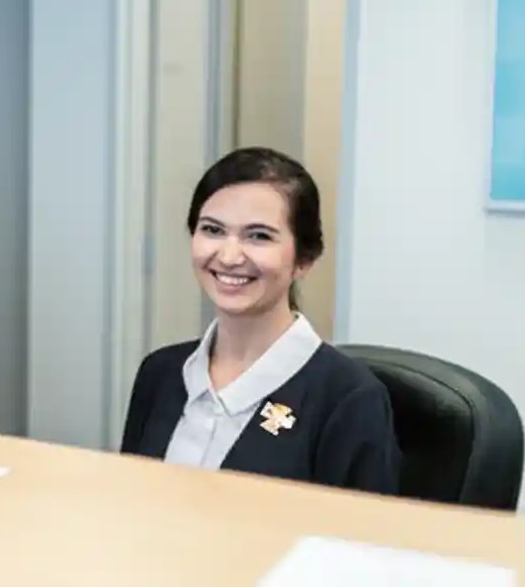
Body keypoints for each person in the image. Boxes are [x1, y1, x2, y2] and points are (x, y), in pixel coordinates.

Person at [121, 147, 401, 494]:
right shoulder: (161, 372)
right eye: (212, 230)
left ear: (304, 259)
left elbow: (362, 528)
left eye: (259, 236)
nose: (228, 256)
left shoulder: (349, 398)